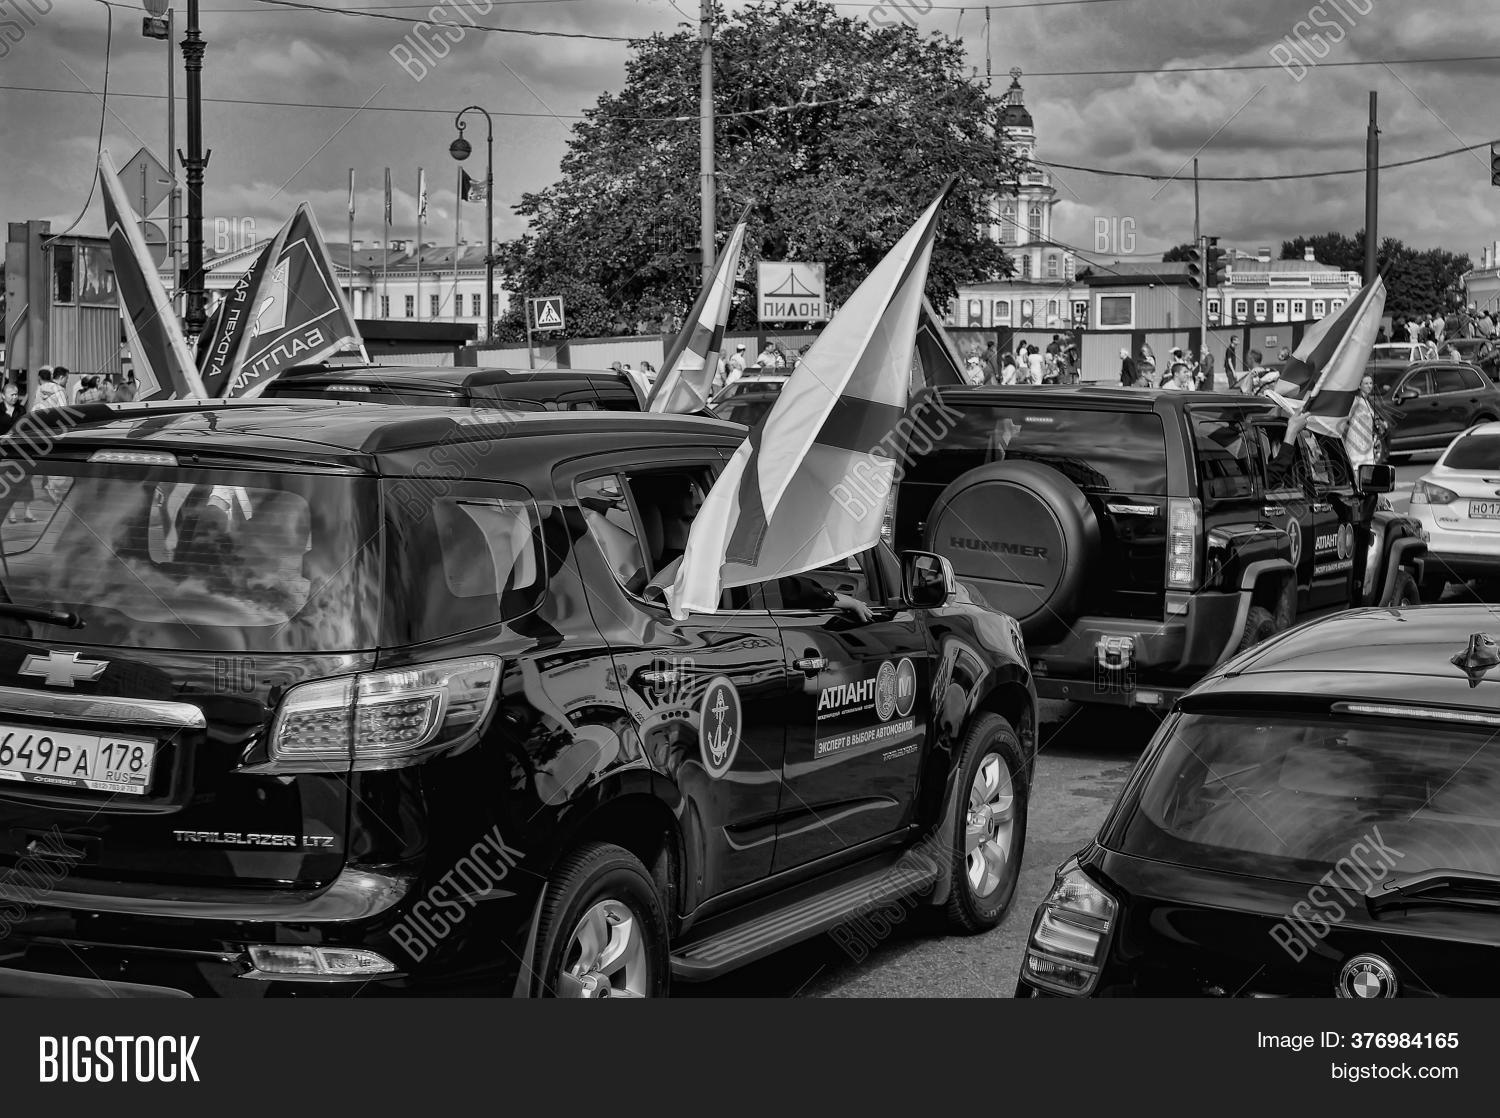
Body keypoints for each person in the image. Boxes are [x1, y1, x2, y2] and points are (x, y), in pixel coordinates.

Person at [0, 384, 35, 523]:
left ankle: (27, 511)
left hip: (20, 450)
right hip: (3, 451)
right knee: (6, 481)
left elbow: (27, 427)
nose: (15, 397)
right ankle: (11, 512)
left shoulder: (21, 410)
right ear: (3, 395)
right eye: (11, 394)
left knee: (25, 481)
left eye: (16, 394)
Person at [1343, 373, 1379, 469]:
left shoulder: (1367, 400)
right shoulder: (1357, 399)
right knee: (1357, 468)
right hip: (1356, 439)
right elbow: (1348, 416)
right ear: (1359, 385)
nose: (1369, 386)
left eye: (1371, 383)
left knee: (1367, 468)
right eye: (1366, 383)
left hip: (1367, 439)